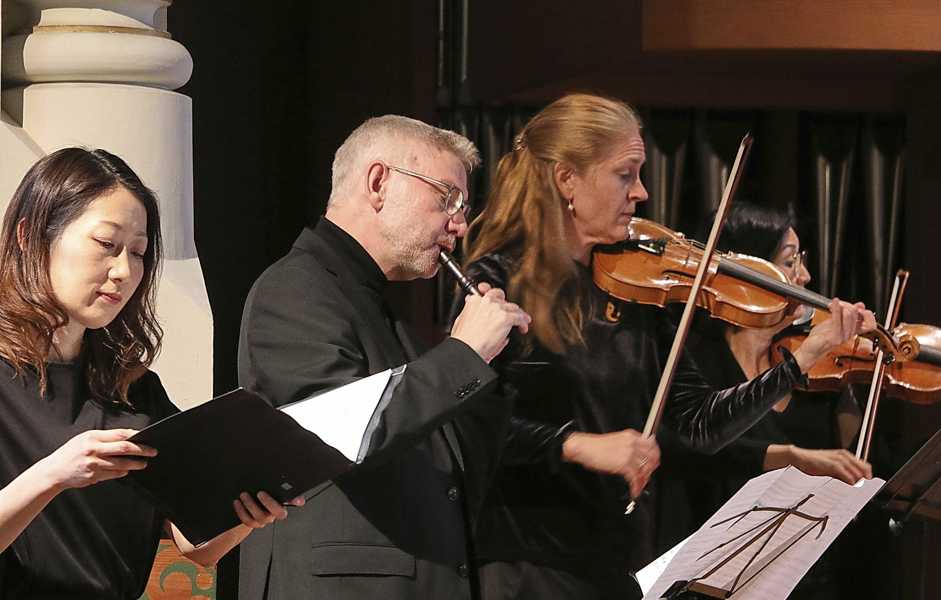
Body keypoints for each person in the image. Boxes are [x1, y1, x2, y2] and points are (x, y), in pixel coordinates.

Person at [454, 93, 877, 600]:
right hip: (526, 564)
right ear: (567, 179)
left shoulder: (637, 290)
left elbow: (699, 425)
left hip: (618, 561)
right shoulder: (497, 281)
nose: (642, 192)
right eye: (625, 175)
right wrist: (579, 445)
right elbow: (471, 424)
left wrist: (802, 358)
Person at [668, 201, 941, 599]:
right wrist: (789, 456)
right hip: (710, 585)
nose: (806, 276)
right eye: (790, 262)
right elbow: (688, 450)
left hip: (812, 585)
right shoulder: (694, 361)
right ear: (750, 271)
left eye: (802, 260)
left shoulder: (824, 374)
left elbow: (877, 471)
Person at [236, 115, 530, 599]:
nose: (459, 225)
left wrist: (494, 363)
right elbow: (336, 435)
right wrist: (464, 352)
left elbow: (456, 479)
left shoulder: (377, 310)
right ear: (378, 183)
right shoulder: (294, 288)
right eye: (448, 199)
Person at [0, 148, 293, 600]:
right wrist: (54, 474)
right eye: (106, 244)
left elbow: (196, 546)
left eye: (138, 253)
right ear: (29, 235)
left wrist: (246, 515)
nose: (124, 271)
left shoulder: (134, 390)